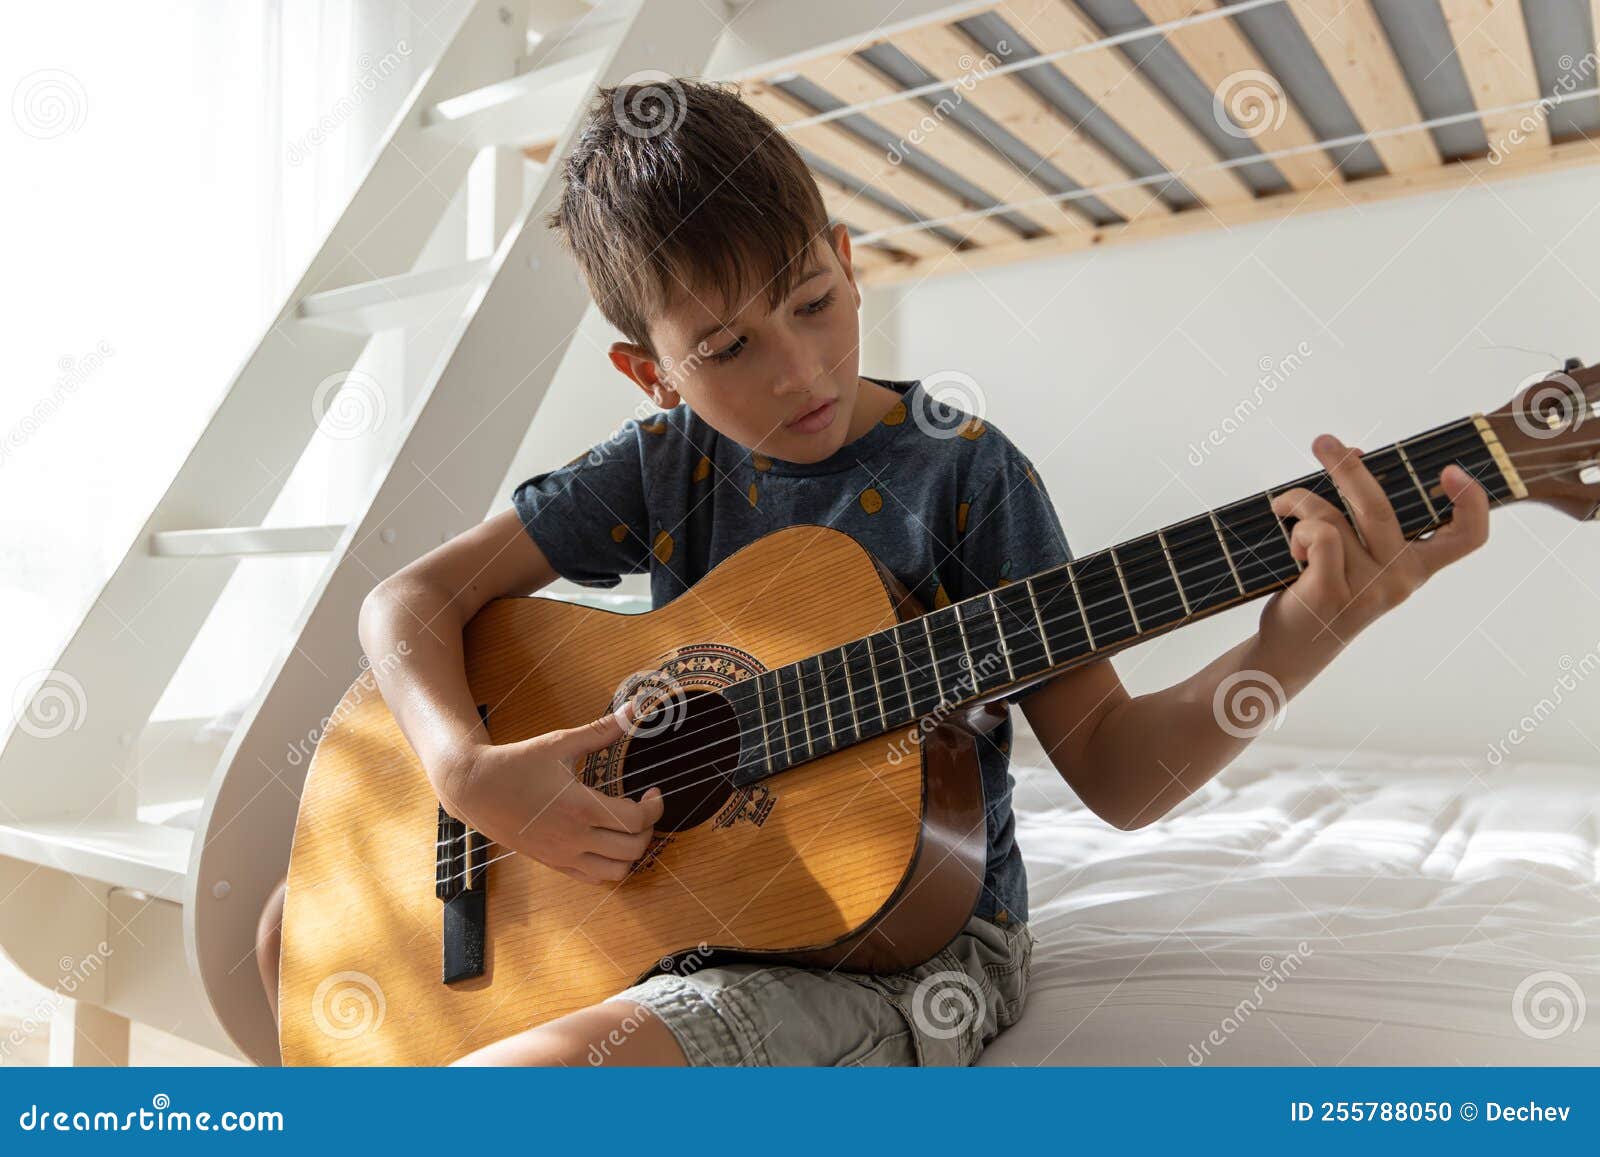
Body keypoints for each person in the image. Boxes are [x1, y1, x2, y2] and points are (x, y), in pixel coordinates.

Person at [256, 78, 1490, 1066]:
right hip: (671, 918)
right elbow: (406, 600)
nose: (797, 370)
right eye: (728, 346)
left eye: (813, 302)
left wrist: (1297, 639)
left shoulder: (962, 472)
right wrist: (469, 772)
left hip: (900, 950)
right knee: (292, 941)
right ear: (654, 374)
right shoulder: (653, 464)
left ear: (847, 261)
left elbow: (1112, 772)